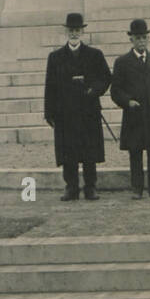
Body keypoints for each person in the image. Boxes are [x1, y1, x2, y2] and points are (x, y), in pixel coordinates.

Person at [44, 12, 113, 201]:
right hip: (65, 112)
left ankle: (90, 187)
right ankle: (71, 187)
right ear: (66, 32)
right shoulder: (55, 57)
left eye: (77, 30)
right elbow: (50, 85)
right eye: (71, 30)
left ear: (82, 32)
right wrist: (49, 112)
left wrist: (93, 90)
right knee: (69, 151)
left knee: (89, 150)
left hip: (88, 110)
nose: (74, 34)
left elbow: (106, 78)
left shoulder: (94, 55)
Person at [109, 19, 150, 199]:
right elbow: (116, 90)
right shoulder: (122, 62)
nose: (141, 41)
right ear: (131, 40)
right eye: (137, 38)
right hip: (134, 116)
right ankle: (137, 189)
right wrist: (128, 102)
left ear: (148, 39)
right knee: (135, 153)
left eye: (144, 37)